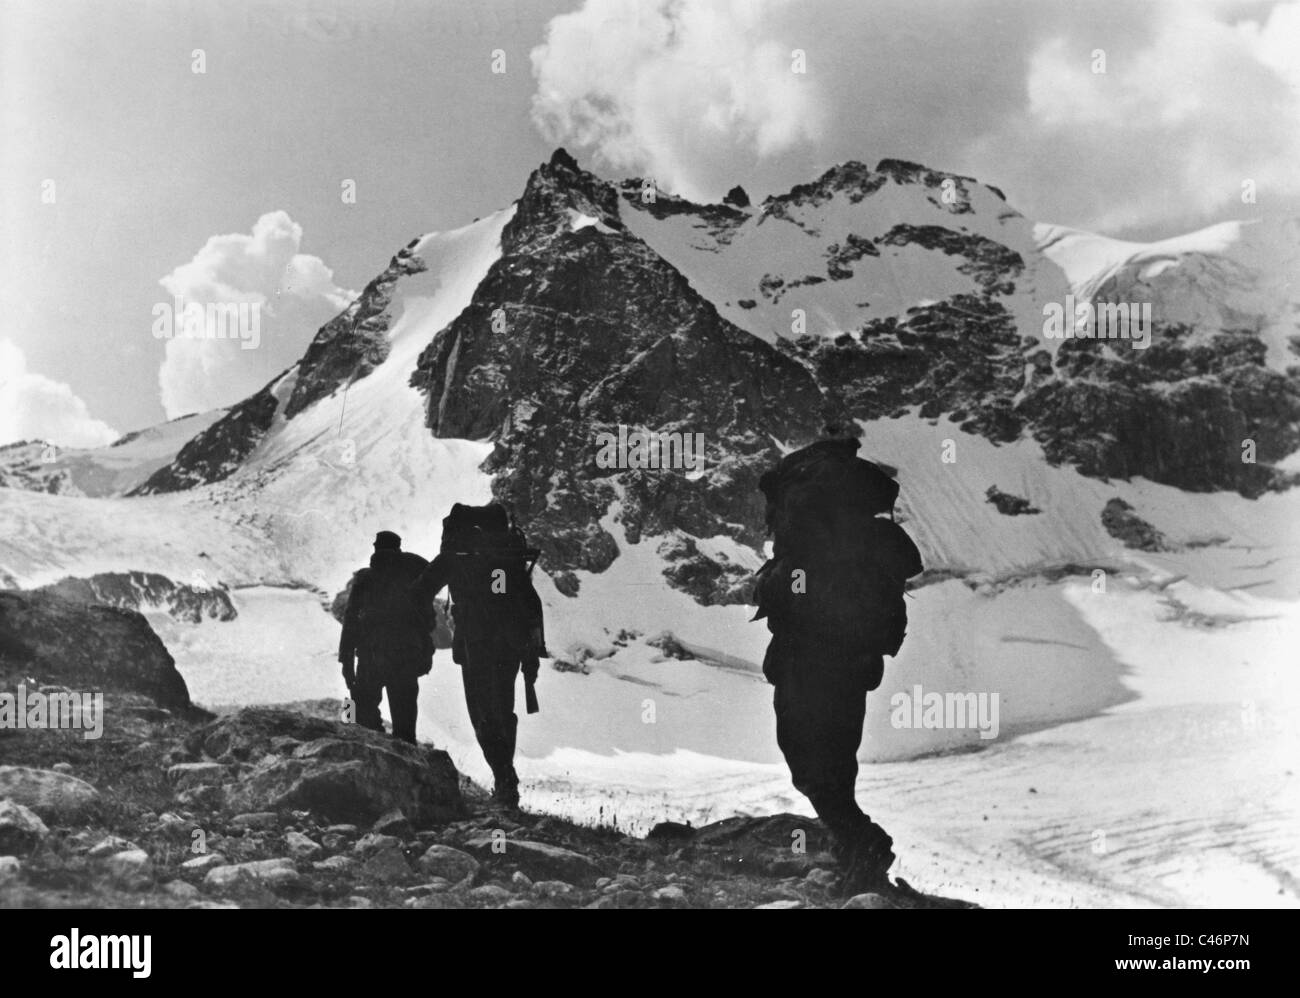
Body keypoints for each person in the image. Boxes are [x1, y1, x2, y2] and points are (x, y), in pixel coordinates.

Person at [752, 437, 923, 894]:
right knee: (831, 762)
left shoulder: (809, 559)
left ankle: (864, 844)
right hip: (845, 667)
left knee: (810, 763)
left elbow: (796, 603)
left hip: (813, 667)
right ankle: (859, 852)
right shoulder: (845, 552)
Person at [411, 503, 546, 809]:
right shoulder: (507, 557)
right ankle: (505, 780)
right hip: (510, 644)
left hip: (476, 643)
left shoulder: (457, 555)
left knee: (483, 714)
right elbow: (528, 601)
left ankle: (504, 779)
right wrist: (531, 654)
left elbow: (420, 589)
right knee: (502, 709)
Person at [338, 530, 433, 744]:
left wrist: (346, 660)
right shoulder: (415, 571)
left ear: (376, 549)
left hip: (371, 654)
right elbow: (428, 618)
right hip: (407, 655)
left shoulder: (365, 578)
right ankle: (409, 761)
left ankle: (372, 747)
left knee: (361, 707)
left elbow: (350, 619)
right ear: (399, 547)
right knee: (405, 719)